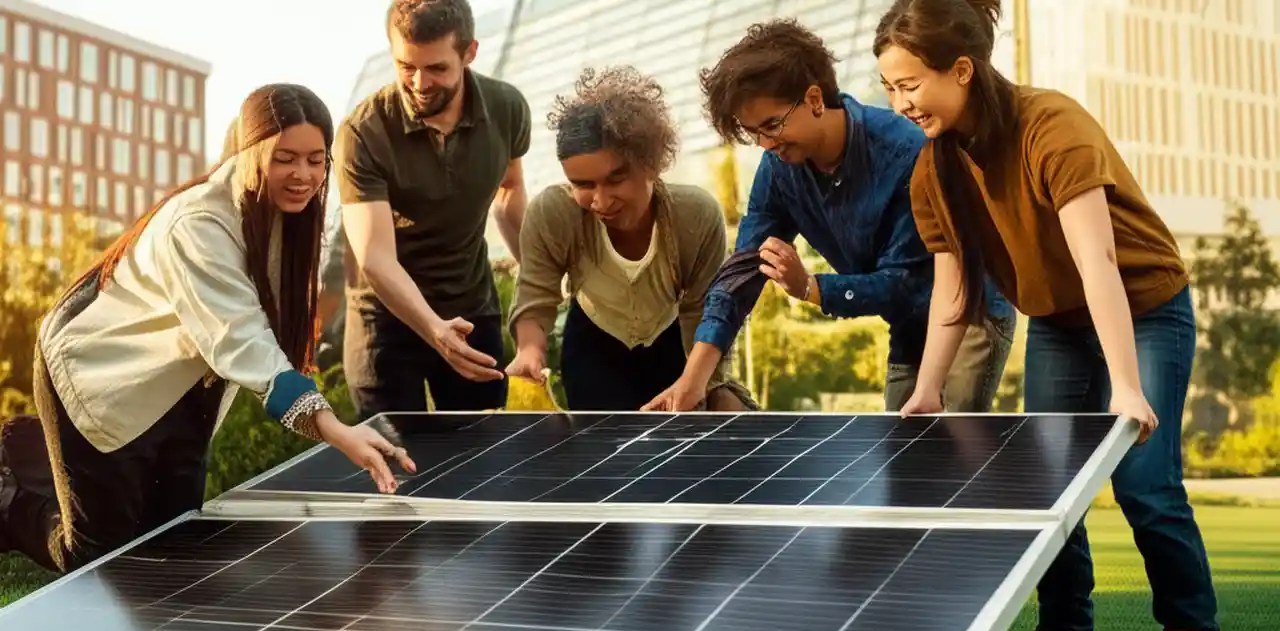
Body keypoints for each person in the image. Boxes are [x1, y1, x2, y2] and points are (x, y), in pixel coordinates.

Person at [874, 0, 1225, 631]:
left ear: (962, 70)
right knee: (1045, 490)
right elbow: (953, 294)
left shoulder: (1050, 125)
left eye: (909, 84)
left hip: (1145, 305)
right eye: (888, 87)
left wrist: (1125, 387)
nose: (899, 102)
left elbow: (1097, 261)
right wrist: (928, 390)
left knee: (1146, 484)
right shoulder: (934, 170)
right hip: (1059, 324)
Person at [0, 84, 415, 575]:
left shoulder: (289, 216)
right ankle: (8, 499)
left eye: (315, 160)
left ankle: (27, 450)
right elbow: (240, 336)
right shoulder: (198, 224)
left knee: (174, 541)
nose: (303, 175)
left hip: (187, 389)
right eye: (285, 158)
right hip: (99, 373)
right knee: (96, 561)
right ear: (250, 150)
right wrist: (334, 428)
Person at [643, 19, 1015, 413]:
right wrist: (693, 380)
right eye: (755, 133)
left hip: (969, 314)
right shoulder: (779, 169)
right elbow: (742, 272)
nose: (766, 145)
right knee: (905, 459)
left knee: (953, 451)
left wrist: (811, 287)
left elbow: (903, 282)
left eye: (773, 125)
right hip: (908, 328)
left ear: (815, 99)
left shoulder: (907, 152)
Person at [506, 66, 754, 411]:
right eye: (583, 185)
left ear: (651, 162)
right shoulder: (553, 213)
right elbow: (535, 293)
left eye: (616, 179)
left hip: (679, 344)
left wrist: (701, 385)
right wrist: (530, 351)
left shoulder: (696, 215)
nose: (602, 201)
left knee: (709, 434)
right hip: (594, 349)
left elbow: (707, 311)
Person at [335, 0, 531, 420]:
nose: (420, 83)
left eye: (437, 68)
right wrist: (433, 329)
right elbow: (374, 257)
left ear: (470, 52)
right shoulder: (362, 132)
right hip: (384, 325)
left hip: (470, 308)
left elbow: (510, 191)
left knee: (482, 461)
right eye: (406, 66)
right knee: (396, 466)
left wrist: (539, 275)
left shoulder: (507, 109)